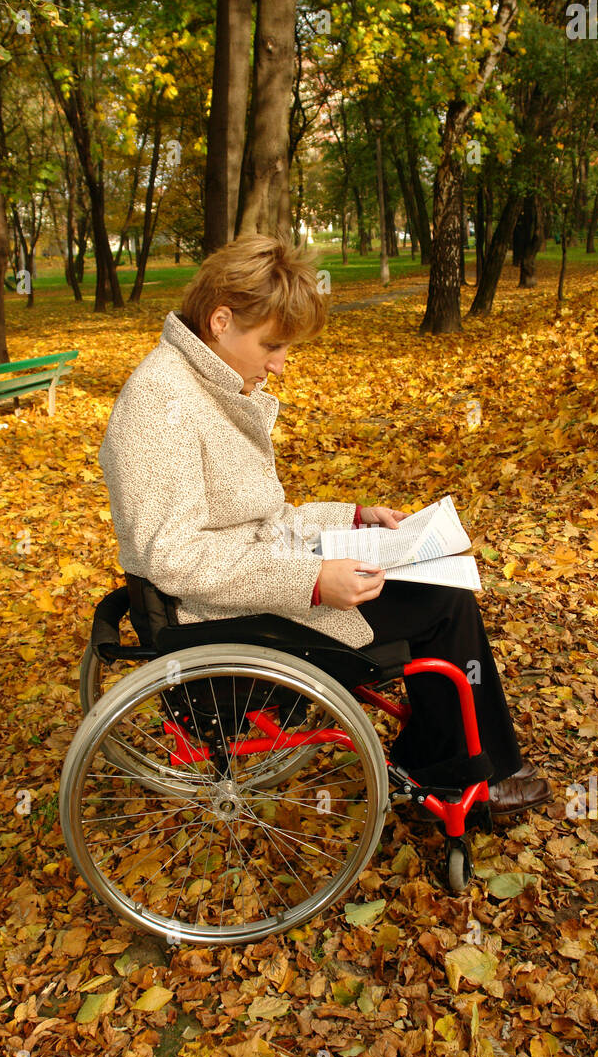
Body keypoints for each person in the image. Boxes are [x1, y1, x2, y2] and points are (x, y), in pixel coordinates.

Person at [98, 233, 550, 815]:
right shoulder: (163, 404)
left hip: (253, 581)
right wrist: (313, 581)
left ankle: (455, 757)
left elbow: (262, 519)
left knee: (436, 579)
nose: (280, 363)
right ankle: (460, 775)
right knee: (443, 602)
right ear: (219, 321)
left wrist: (355, 518)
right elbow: (177, 557)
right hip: (223, 613)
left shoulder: (202, 386)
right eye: (272, 345)